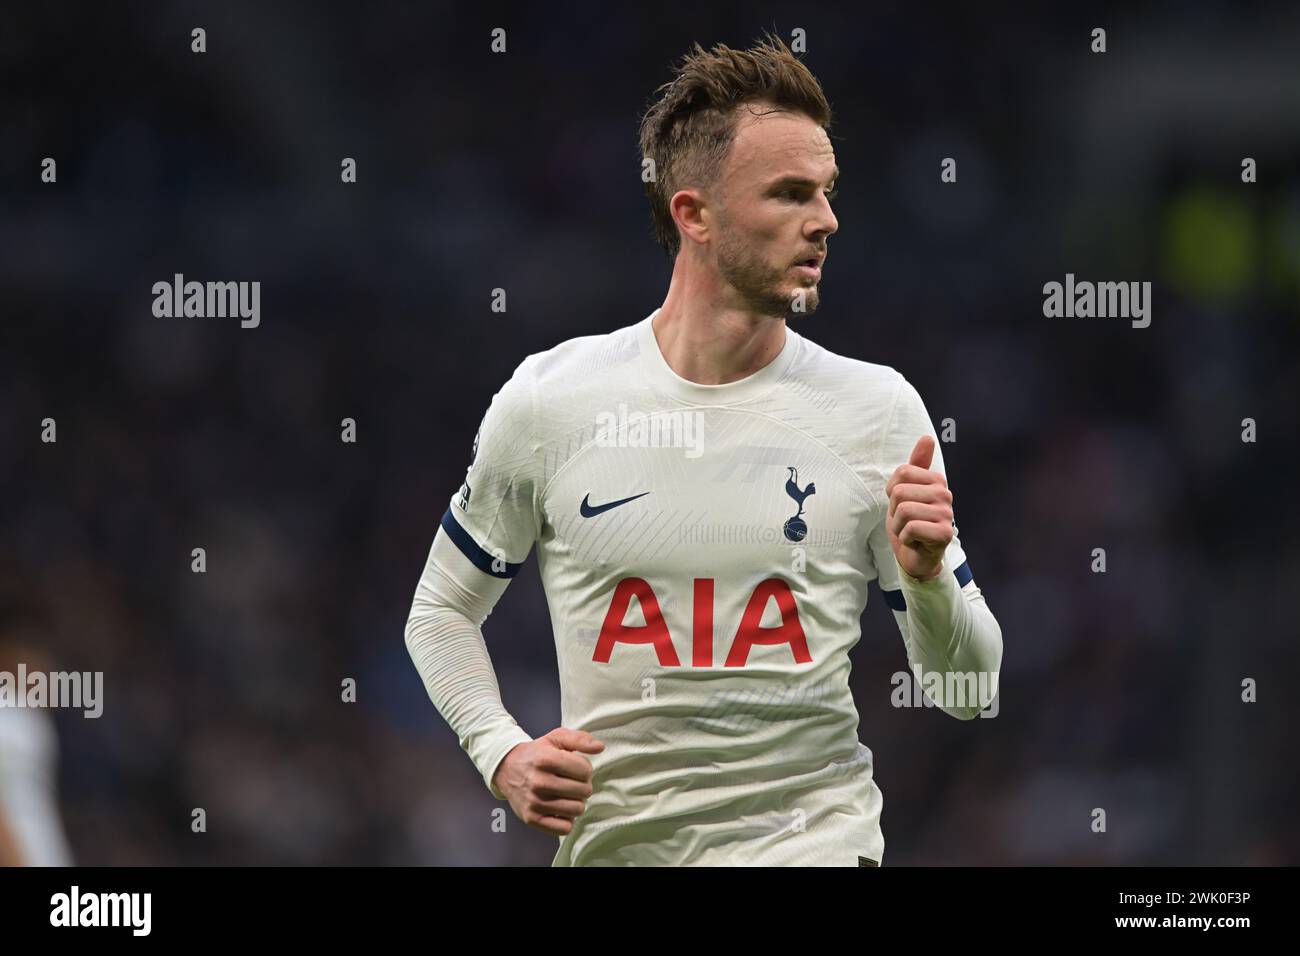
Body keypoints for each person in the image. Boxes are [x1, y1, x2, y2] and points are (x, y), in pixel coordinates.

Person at [405, 33, 1002, 866]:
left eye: (827, 193)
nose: (825, 219)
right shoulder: (552, 402)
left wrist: (930, 579)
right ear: (693, 213)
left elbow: (969, 690)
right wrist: (501, 752)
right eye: (791, 193)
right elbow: (439, 612)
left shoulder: (876, 410)